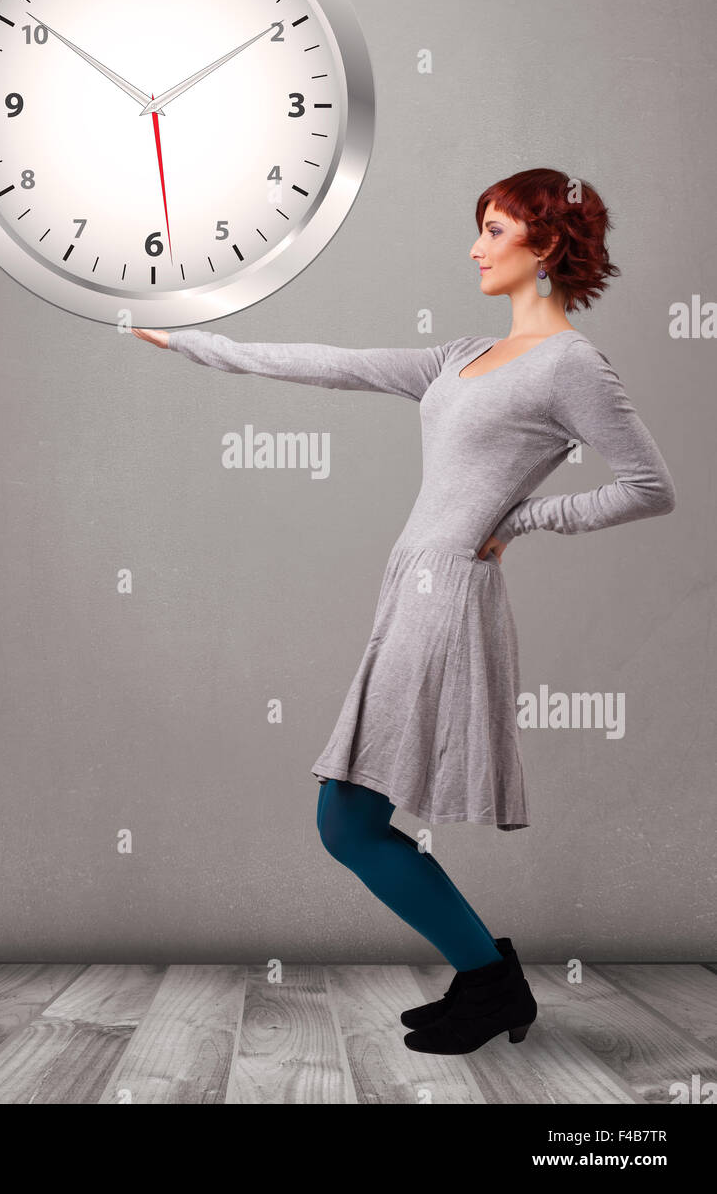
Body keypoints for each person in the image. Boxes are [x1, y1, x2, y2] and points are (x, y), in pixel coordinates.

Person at [131, 167, 676, 1055]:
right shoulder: (458, 356)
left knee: (345, 820)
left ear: (544, 246)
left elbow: (653, 487)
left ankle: (491, 980)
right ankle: (485, 975)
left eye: (494, 231)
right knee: (358, 818)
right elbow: (331, 366)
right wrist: (196, 343)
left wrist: (529, 518)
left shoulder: (572, 366)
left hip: (451, 597)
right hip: (409, 589)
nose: (475, 246)